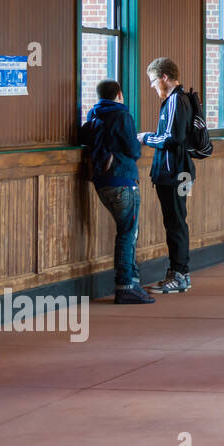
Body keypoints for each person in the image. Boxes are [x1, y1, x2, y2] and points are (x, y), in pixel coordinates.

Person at [79, 80, 153, 304]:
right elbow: (133, 150)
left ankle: (132, 281)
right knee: (128, 233)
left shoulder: (93, 116)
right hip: (123, 181)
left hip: (102, 182)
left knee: (127, 231)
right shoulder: (122, 116)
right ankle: (126, 285)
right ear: (120, 94)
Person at [138, 58, 195, 293]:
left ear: (164, 77)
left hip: (174, 173)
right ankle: (180, 273)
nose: (152, 86)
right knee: (177, 222)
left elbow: (172, 138)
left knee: (175, 224)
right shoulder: (180, 100)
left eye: (153, 81)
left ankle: (179, 274)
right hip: (179, 171)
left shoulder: (174, 101)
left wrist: (145, 138)